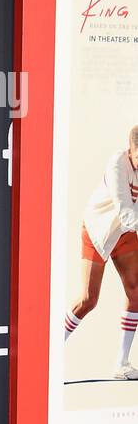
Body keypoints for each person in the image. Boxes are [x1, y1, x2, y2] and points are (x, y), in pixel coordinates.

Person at [65, 124, 138, 379]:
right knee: (88, 300)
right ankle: (50, 354)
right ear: (130, 150)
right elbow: (126, 213)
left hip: (126, 233)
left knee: (135, 289)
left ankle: (122, 364)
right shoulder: (117, 164)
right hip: (99, 231)